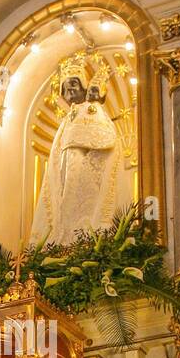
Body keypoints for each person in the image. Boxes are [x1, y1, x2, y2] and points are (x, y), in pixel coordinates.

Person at [29, 55, 131, 244]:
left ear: (83, 86)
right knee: (65, 205)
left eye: (74, 84)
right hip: (65, 172)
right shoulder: (67, 119)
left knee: (85, 207)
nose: (69, 89)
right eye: (65, 86)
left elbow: (105, 138)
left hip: (88, 170)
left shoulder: (92, 109)